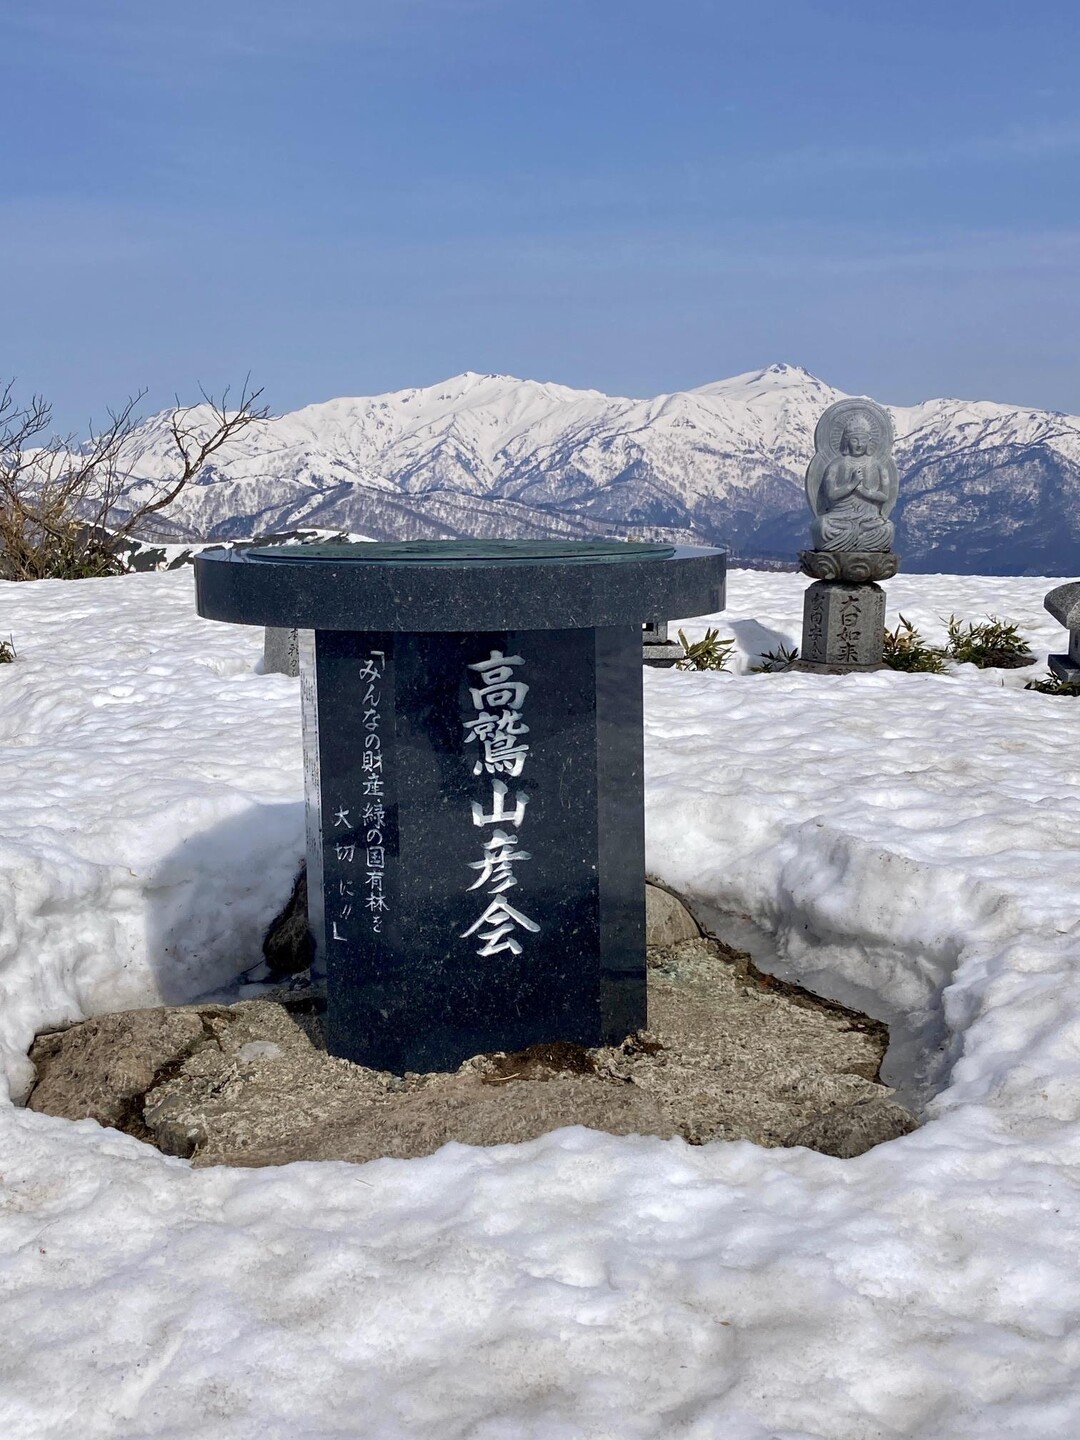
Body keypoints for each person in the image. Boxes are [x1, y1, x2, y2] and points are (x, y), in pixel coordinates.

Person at [811, 413, 894, 552]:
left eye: (863, 440)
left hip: (868, 518)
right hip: (839, 517)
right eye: (854, 440)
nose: (859, 444)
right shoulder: (836, 465)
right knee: (822, 526)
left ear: (869, 441)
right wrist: (852, 484)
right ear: (846, 441)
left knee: (887, 527)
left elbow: (884, 496)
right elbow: (831, 495)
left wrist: (864, 491)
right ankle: (858, 540)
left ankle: (853, 539)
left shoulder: (878, 466)